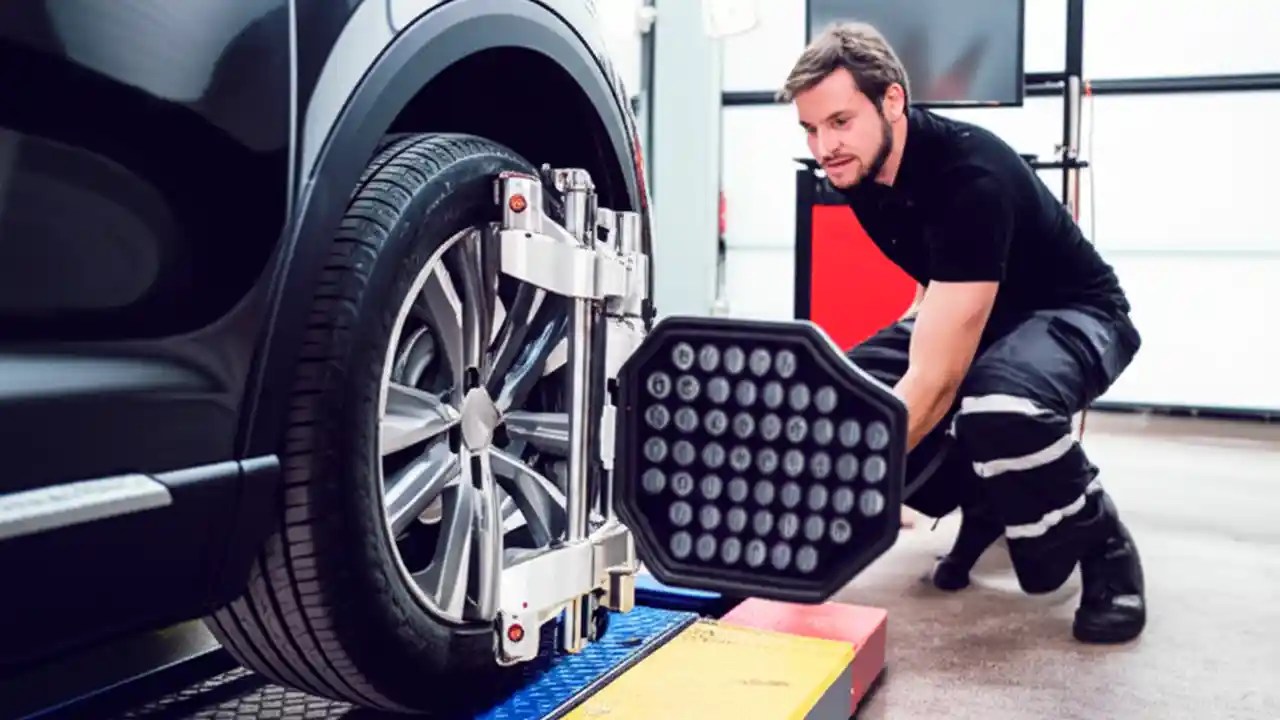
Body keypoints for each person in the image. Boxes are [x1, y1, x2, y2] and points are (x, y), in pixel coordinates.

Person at [779, 22, 1146, 644]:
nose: (824, 145)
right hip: (994, 314)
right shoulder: (863, 174)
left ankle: (1105, 548)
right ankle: (987, 500)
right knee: (841, 392)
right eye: (811, 129)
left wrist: (844, 484)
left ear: (891, 100)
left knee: (996, 406)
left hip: (1079, 313)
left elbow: (939, 375)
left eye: (840, 121)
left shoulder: (969, 176)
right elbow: (938, 276)